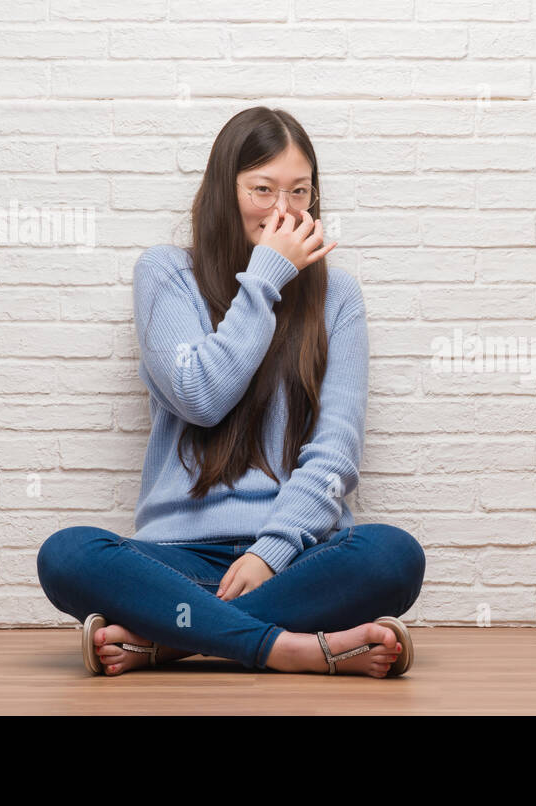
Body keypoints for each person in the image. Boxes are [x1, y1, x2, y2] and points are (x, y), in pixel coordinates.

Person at [36, 107, 425, 678]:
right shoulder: (165, 274)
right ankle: (288, 648)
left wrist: (269, 553)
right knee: (67, 555)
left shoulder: (338, 296)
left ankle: (170, 641)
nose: (283, 210)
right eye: (262, 189)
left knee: (392, 557)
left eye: (299, 192)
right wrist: (264, 279)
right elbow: (201, 397)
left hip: (295, 557)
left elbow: (335, 451)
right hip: (175, 561)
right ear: (226, 189)